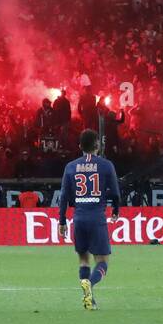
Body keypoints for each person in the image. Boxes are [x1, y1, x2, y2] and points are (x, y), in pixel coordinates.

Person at [60, 129, 121, 311]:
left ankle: (89, 299)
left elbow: (63, 196)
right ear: (97, 145)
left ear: (80, 146)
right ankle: (91, 286)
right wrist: (116, 210)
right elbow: (116, 193)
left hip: (79, 218)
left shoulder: (70, 167)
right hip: (97, 217)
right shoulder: (106, 165)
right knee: (102, 261)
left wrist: (61, 221)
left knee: (83, 259)